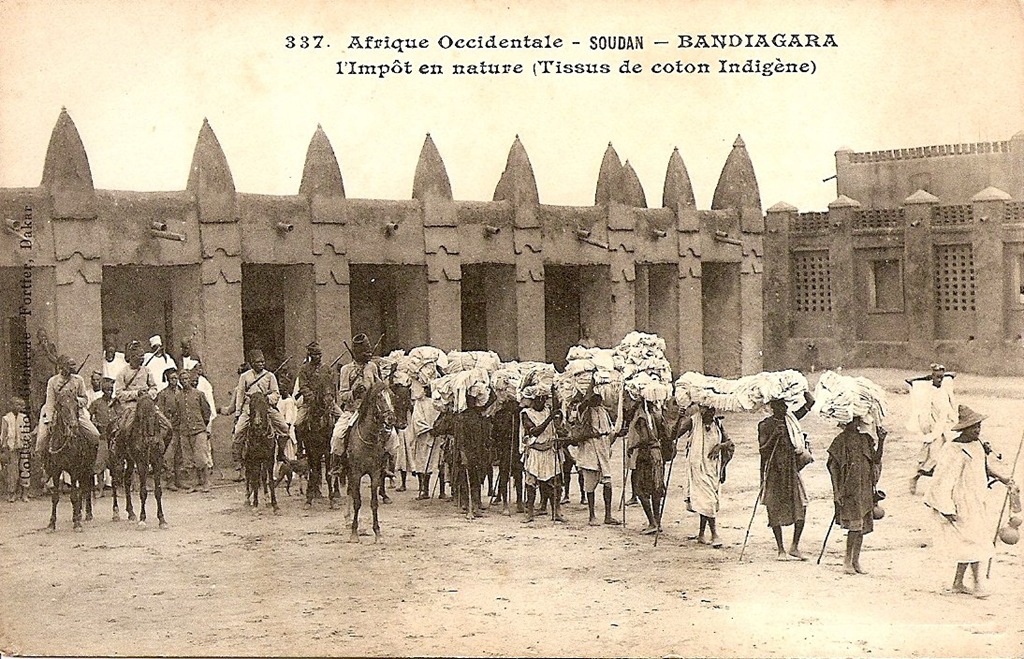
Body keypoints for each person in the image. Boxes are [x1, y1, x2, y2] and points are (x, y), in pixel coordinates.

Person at [924, 406, 1017, 598]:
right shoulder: (952, 449)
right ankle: (977, 584)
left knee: (969, 542)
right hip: (960, 501)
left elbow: (984, 468)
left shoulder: (977, 445)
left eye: (979, 427)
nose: (978, 431)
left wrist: (1003, 478)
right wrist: (946, 507)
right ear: (964, 429)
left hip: (976, 500)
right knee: (974, 541)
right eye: (974, 427)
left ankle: (958, 583)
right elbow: (942, 479)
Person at [757, 391, 815, 560]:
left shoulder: (791, 419)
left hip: (791, 470)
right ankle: (780, 549)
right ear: (772, 407)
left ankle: (794, 547)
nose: (784, 408)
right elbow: (763, 450)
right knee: (774, 508)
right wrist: (774, 436)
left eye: (785, 404)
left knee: (801, 506)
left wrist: (801, 388)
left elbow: (810, 402)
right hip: (773, 471)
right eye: (780, 405)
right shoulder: (765, 425)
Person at [827, 416, 886, 574]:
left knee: (862, 528)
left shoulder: (865, 439)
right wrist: (837, 492)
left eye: (857, 420)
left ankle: (856, 561)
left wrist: (881, 441)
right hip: (849, 491)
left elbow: (876, 459)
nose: (855, 423)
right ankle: (847, 561)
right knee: (854, 527)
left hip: (864, 489)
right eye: (852, 421)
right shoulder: (840, 441)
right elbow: (833, 468)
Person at [565, 377, 619, 526]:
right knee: (590, 486)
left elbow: (609, 431)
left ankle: (608, 515)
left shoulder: (603, 411)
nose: (598, 399)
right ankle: (592, 516)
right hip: (589, 450)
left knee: (607, 483)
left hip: (602, 449)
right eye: (595, 396)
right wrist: (592, 381)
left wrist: (615, 435)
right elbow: (585, 401)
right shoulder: (583, 410)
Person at [230, 349, 290, 480]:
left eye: (263, 362)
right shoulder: (244, 377)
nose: (261, 364)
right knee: (239, 431)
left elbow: (276, 393)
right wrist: (238, 413)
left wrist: (268, 399)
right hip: (249, 408)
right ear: (252, 363)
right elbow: (240, 395)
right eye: (258, 362)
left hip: (266, 407)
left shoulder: (270, 376)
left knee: (284, 428)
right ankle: (239, 461)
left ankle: (280, 453)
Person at [679, 404, 734, 547]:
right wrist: (680, 417)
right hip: (697, 467)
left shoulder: (717, 424)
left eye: (711, 410)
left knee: (706, 500)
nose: (708, 413)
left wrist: (719, 446)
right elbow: (674, 435)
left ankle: (701, 534)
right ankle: (715, 534)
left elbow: (729, 443)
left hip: (712, 468)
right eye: (705, 409)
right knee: (708, 499)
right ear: (700, 409)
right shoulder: (693, 421)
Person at [330, 334, 382, 463]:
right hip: (352, 412)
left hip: (371, 413)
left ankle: (386, 465)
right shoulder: (346, 370)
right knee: (337, 436)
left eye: (369, 352)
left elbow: (379, 387)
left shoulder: (372, 367)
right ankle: (338, 466)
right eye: (365, 353)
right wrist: (354, 393)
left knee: (392, 437)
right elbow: (342, 395)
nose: (368, 355)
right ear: (357, 354)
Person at [35, 355, 102, 455]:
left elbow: (85, 399)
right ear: (61, 367)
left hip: (75, 412)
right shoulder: (53, 381)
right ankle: (40, 458)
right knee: (42, 438)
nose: (73, 368)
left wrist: (74, 400)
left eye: (73, 365)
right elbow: (50, 402)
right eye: (69, 365)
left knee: (95, 435)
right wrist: (49, 420)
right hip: (56, 412)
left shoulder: (78, 380)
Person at [907, 364, 957, 495]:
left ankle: (940, 486)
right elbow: (923, 413)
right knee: (932, 457)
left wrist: (944, 375)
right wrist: (931, 432)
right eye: (937, 377)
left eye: (942, 377)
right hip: (933, 430)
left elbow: (952, 375)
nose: (940, 380)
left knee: (947, 457)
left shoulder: (944, 390)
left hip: (945, 429)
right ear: (932, 377)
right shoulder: (927, 392)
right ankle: (915, 477)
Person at [109, 342, 170, 450]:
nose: (142, 359)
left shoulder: (147, 370)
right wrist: (136, 393)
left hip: (148, 404)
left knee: (167, 427)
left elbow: (154, 387)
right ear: (132, 357)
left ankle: (160, 451)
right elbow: (119, 393)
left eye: (142, 356)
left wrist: (148, 394)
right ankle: (121, 450)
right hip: (131, 406)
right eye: (139, 356)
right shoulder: (122, 373)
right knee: (124, 429)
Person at [519, 388, 563, 523]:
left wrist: (554, 390)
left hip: (549, 451)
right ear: (534, 400)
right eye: (540, 399)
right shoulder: (526, 413)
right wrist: (550, 418)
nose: (542, 402)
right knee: (531, 483)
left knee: (554, 483)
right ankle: (530, 513)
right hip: (535, 451)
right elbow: (534, 432)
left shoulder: (548, 410)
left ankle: (556, 512)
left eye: (544, 399)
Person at [177, 370, 213, 492]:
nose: (184, 381)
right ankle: (193, 483)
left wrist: (202, 426)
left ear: (190, 380)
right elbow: (177, 414)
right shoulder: (178, 396)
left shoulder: (199, 394)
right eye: (182, 380)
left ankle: (206, 482)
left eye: (186, 379)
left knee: (201, 458)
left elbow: (206, 412)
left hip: (199, 430)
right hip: (184, 431)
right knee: (188, 459)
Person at [490, 385, 523, 514]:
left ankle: (519, 502)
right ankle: (505, 503)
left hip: (517, 448)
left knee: (518, 476)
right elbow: (495, 434)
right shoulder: (500, 414)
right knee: (504, 475)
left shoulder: (520, 414)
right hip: (505, 448)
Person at [87, 377, 117, 496]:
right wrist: (95, 425)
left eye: (111, 390)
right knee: (100, 463)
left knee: (116, 463)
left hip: (114, 437)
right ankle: (100, 489)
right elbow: (88, 416)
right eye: (107, 390)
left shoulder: (116, 403)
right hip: (102, 436)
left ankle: (115, 489)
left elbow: (121, 415)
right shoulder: (97, 403)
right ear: (103, 390)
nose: (110, 392)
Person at [157, 366, 184, 490]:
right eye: (172, 378)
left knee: (180, 454)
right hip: (169, 428)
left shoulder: (181, 392)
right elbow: (160, 412)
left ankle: (179, 480)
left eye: (176, 378)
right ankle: (170, 480)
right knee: (169, 455)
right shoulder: (163, 394)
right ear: (168, 379)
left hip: (181, 427)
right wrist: (167, 425)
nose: (175, 380)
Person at [1, 397, 31, 502]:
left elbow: (27, 432)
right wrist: (4, 447)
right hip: (12, 448)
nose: (19, 407)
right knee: (12, 471)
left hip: (23, 447)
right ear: (11, 405)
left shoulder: (24, 418)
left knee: (25, 470)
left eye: (21, 405)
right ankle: (12, 494)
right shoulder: (6, 418)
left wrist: (28, 445)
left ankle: (24, 494)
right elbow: (3, 434)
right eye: (16, 405)